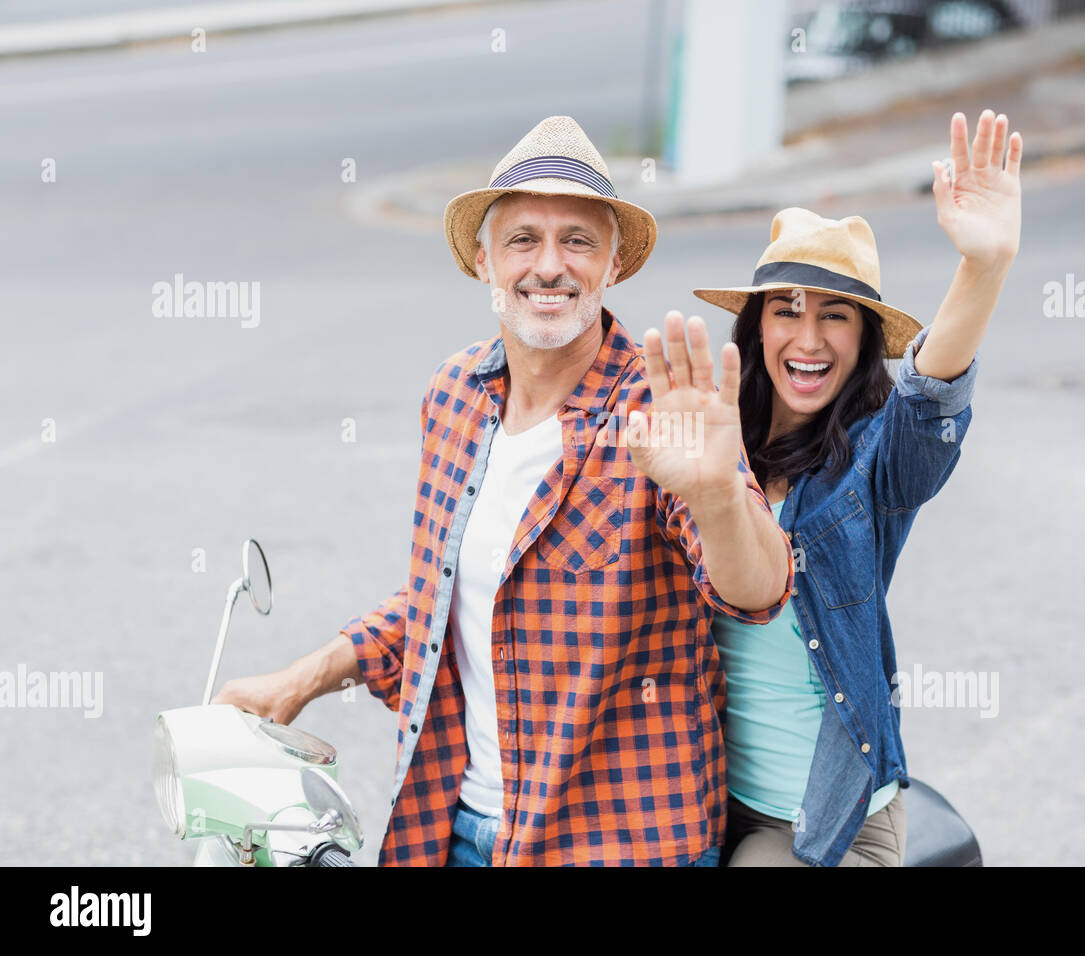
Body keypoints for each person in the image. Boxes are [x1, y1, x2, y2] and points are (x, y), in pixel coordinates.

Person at [213, 115, 794, 866]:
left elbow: (758, 591)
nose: (549, 265)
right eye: (523, 239)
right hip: (451, 827)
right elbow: (444, 600)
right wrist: (300, 679)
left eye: (578, 240)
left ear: (613, 265)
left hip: (616, 844)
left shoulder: (656, 412)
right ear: (484, 260)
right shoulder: (454, 394)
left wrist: (719, 497)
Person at [694, 109, 1023, 866]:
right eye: (787, 311)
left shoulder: (874, 460)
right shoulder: (716, 440)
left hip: (826, 820)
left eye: (835, 316)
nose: (808, 340)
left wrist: (984, 266)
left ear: (866, 340)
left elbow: (931, 400)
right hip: (705, 795)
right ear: (756, 329)